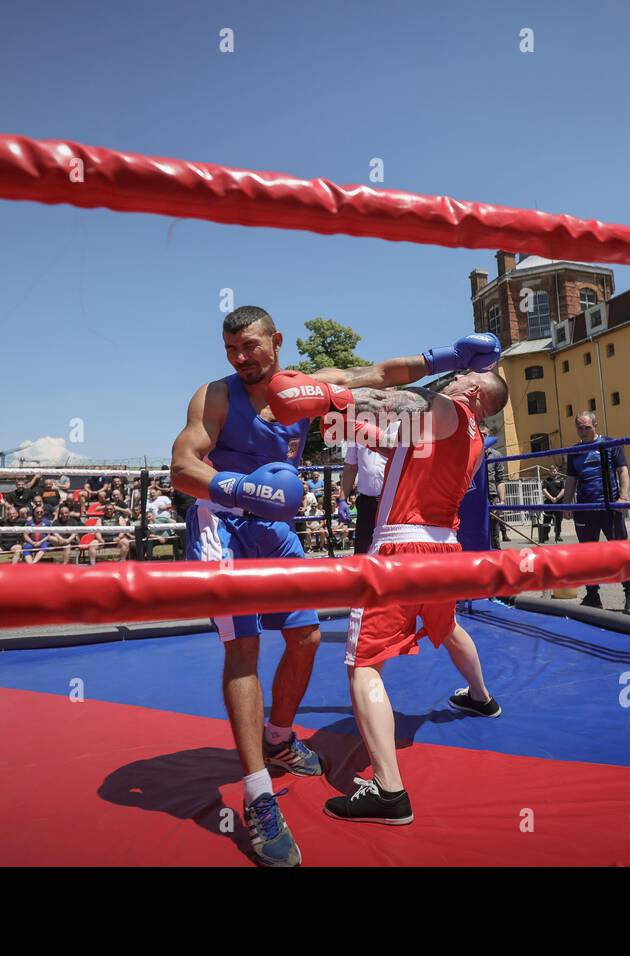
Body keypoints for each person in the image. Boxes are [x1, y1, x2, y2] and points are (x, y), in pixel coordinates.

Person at [169, 304, 500, 866]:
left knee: (306, 637)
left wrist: (444, 357)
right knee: (244, 648)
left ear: (276, 341)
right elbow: (182, 465)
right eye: (231, 350)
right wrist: (240, 487)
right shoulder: (216, 396)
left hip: (276, 529)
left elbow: (382, 374)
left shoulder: (309, 385)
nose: (241, 358)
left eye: (250, 346)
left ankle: (279, 738)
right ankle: (258, 795)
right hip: (222, 523)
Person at [267, 365, 508, 827]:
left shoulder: (448, 409)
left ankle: (389, 790)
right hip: (443, 548)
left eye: (461, 376)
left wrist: (326, 391)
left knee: (363, 665)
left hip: (402, 547)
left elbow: (396, 398)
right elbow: (386, 442)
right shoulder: (469, 436)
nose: (452, 379)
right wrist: (331, 416)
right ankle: (480, 697)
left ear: (475, 390)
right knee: (446, 626)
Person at [563, 412, 630, 615]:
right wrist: (567, 504)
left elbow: (623, 471)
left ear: (595, 426)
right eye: (579, 428)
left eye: (587, 427)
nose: (583, 431)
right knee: (588, 555)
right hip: (584, 509)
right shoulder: (574, 451)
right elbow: (571, 479)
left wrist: (623, 497)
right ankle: (592, 595)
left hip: (610, 507)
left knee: (621, 552)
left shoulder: (611, 444)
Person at [341, 436, 386, 554]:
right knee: (362, 551)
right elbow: (350, 467)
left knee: (390, 552)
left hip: (391, 504)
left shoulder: (398, 429)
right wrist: (342, 500)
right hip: (366, 503)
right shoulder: (356, 434)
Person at [482, 425, 511, 546]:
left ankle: (495, 554)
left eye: (484, 434)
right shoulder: (468, 453)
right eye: (480, 434)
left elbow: (500, 479)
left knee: (494, 534)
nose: (482, 437)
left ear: (489, 436)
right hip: (474, 497)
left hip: (492, 497)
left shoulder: (496, 455)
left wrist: (502, 501)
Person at [540, 466, 566, 543]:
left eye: (554, 471)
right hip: (548, 503)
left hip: (559, 503)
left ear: (557, 471)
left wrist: (557, 498)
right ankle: (545, 536)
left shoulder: (561, 480)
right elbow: (544, 490)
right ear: (549, 472)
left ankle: (558, 535)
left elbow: (563, 490)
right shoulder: (546, 480)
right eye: (551, 471)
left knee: (558, 520)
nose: (553, 472)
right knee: (547, 520)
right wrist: (551, 498)